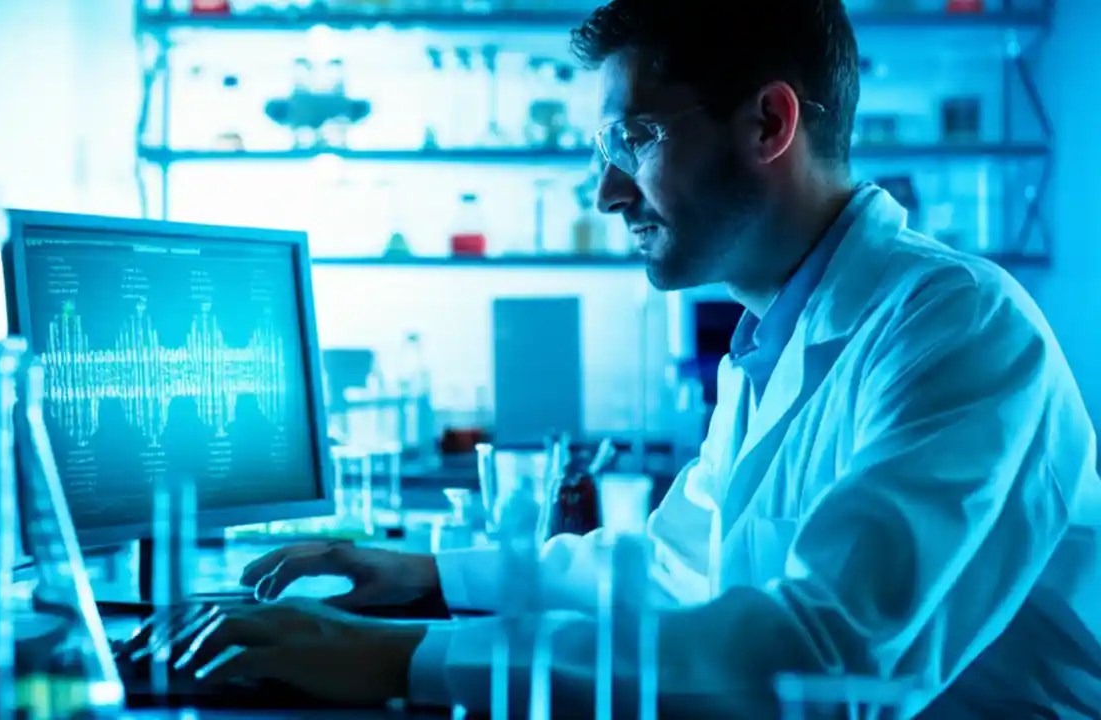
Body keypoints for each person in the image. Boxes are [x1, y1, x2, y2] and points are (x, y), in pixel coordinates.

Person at [147, 0, 1101, 716]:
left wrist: (395, 660)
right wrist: (430, 579)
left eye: (634, 138)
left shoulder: (958, 328)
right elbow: (684, 567)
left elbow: (822, 654)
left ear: (769, 125)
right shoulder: (776, 335)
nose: (603, 192)